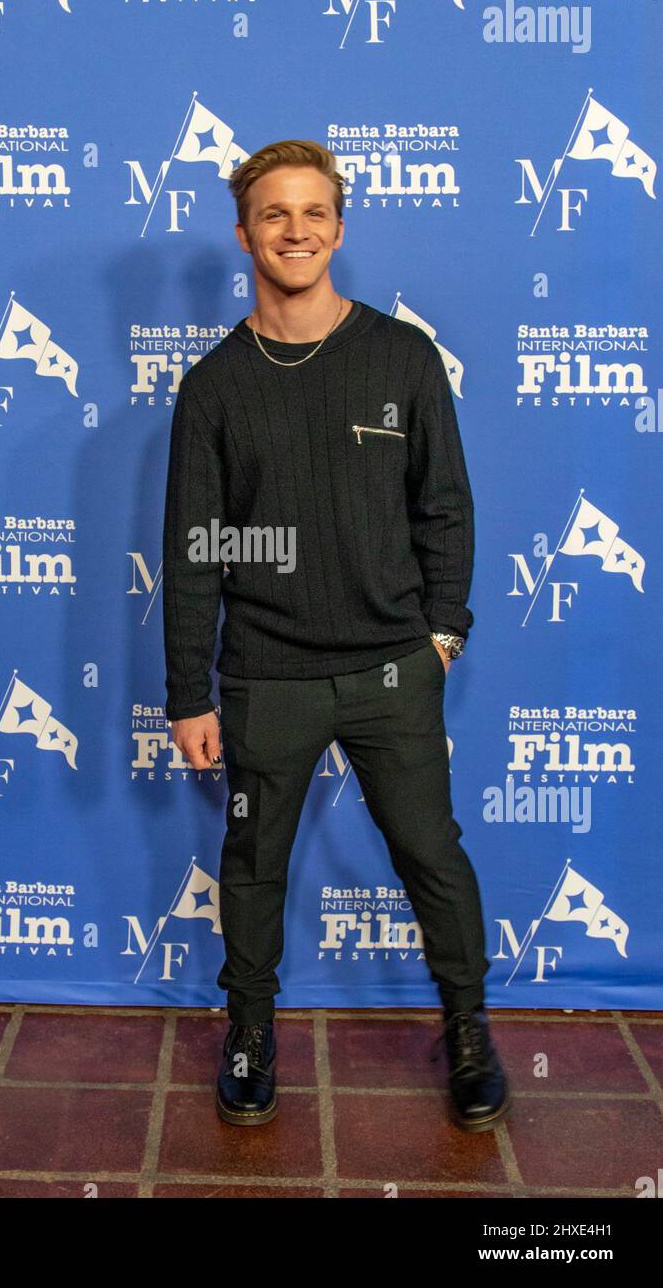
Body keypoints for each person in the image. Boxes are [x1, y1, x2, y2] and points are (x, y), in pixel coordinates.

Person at [161, 139, 509, 1133]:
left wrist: (440, 633)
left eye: (312, 212)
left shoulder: (399, 356)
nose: (295, 230)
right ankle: (249, 1031)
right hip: (264, 676)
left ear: (339, 228)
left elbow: (444, 508)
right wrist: (189, 690)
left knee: (429, 855)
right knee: (252, 867)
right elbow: (193, 552)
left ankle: (469, 1028)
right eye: (274, 214)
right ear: (243, 233)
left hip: (390, 670)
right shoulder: (212, 387)